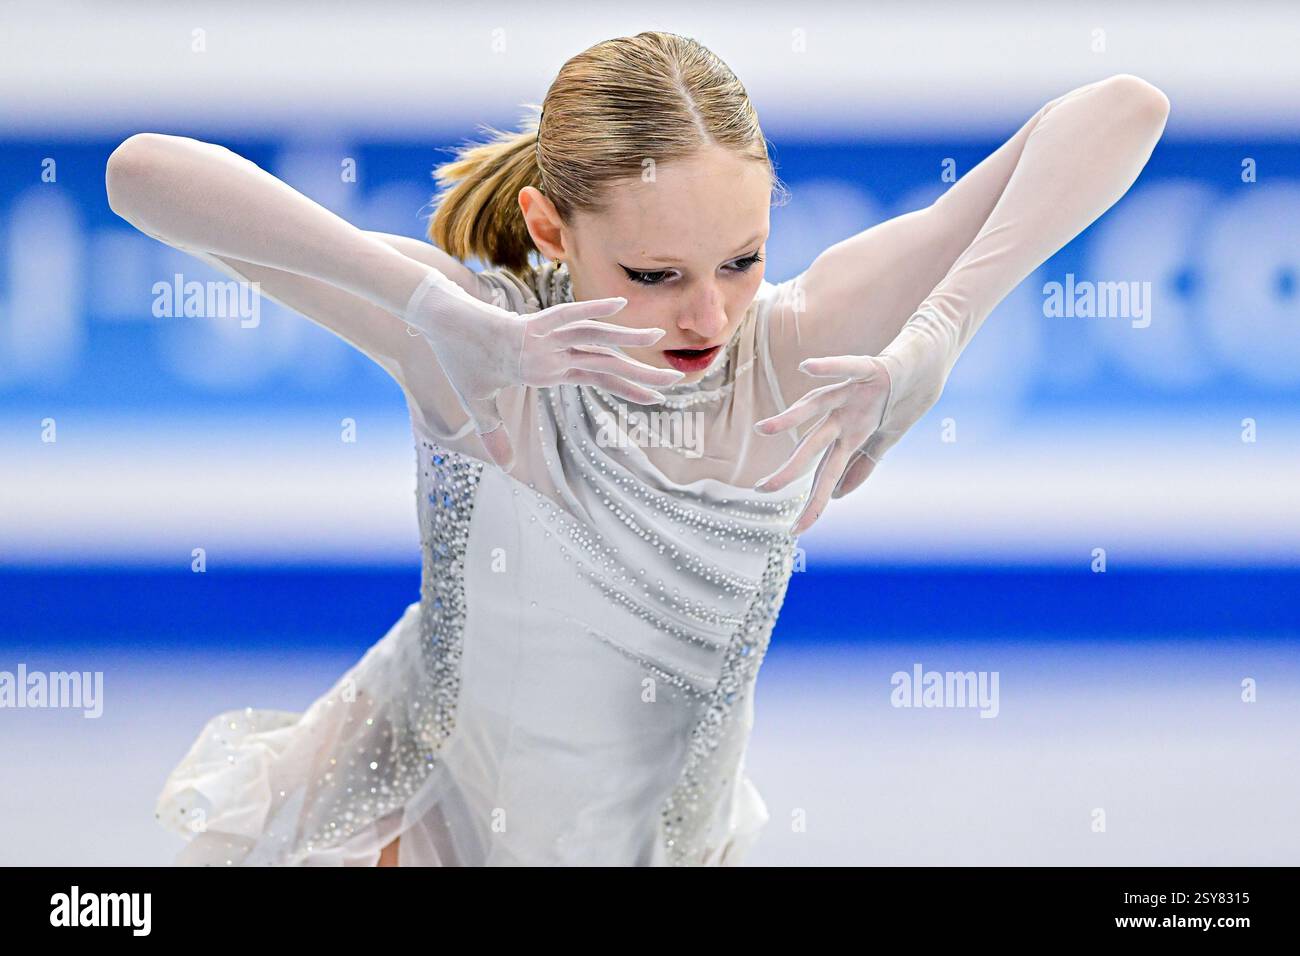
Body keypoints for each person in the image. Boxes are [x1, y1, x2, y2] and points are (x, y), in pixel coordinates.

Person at [105, 31, 1170, 866]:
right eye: (655, 274)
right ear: (553, 229)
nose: (707, 314)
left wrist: (939, 330)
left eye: (742, 258)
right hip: (409, 824)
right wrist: (430, 308)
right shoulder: (485, 344)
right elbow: (142, 173)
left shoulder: (792, 342)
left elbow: (1125, 107)